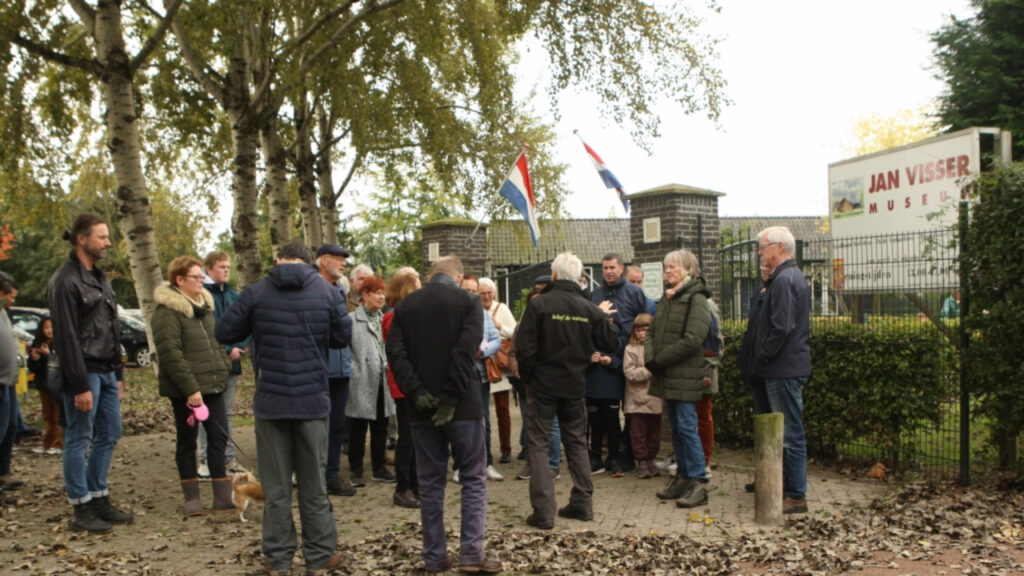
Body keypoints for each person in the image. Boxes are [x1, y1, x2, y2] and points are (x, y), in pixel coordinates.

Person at [215, 242, 351, 575]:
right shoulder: (328, 292)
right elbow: (340, 338)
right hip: (313, 403)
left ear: (278, 260)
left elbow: (224, 331)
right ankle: (320, 556)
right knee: (314, 485)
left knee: (276, 489)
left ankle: (277, 559)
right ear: (309, 262)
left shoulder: (256, 293)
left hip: (272, 404)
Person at [386, 255, 502, 574]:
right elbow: (465, 351)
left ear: (430, 275)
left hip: (421, 411)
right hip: (462, 406)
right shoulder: (468, 302)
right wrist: (450, 396)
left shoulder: (407, 306)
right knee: (474, 478)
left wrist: (417, 390)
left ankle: (435, 556)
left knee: (431, 483)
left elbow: (395, 352)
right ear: (459, 275)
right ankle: (471, 554)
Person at [515, 252, 618, 530]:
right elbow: (610, 343)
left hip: (543, 386)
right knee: (576, 443)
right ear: (580, 277)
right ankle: (583, 503)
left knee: (538, 443)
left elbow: (524, 349)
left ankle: (544, 511)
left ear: (555, 275)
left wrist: (528, 378)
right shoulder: (588, 308)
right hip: (574, 386)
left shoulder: (539, 306)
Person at [46, 214, 133, 534]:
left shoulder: (100, 277)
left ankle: (98, 497)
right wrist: (79, 384)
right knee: (79, 437)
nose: (108, 242)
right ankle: (80, 506)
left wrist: (120, 372)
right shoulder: (64, 281)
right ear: (81, 239)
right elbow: (66, 337)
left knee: (110, 431)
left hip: (108, 372)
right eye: (102, 237)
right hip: (83, 374)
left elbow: (112, 326)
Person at [151, 256, 232, 518]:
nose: (201, 281)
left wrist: (223, 367)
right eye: (196, 277)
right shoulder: (167, 312)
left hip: (214, 385)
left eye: (201, 277)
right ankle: (192, 498)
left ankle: (222, 497)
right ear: (180, 280)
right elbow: (170, 353)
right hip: (186, 391)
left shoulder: (205, 308)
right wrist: (191, 389)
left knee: (219, 438)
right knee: (187, 441)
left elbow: (216, 341)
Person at [646, 249, 713, 509]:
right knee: (676, 427)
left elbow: (693, 339)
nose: (667, 271)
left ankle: (698, 482)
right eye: (666, 267)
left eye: (672, 266)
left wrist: (659, 359)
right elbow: (652, 331)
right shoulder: (669, 298)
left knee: (687, 427)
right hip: (668, 375)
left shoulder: (696, 299)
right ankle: (683, 476)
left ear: (688, 269)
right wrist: (651, 357)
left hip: (683, 374)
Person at [751, 226, 811, 515]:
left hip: (782, 368)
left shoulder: (785, 279)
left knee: (790, 434)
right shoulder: (785, 277)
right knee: (786, 432)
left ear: (779, 247)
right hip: (782, 366)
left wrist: (762, 357)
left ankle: (796, 495)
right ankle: (787, 488)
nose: (760, 252)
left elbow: (782, 327)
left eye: (763, 247)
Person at [586, 253, 647, 477]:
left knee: (631, 412)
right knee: (600, 415)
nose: (608, 272)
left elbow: (644, 323)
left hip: (627, 360)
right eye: (605, 268)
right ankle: (602, 456)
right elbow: (588, 327)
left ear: (621, 268)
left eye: (612, 267)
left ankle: (628, 454)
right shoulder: (595, 295)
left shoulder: (634, 293)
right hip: (600, 365)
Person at [199, 251, 249, 479]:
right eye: (221, 266)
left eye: (228, 266)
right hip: (209, 363)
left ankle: (228, 458)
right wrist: (228, 349)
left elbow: (246, 324)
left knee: (227, 413)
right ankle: (204, 459)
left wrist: (238, 347)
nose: (226, 270)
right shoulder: (201, 296)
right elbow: (207, 331)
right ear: (208, 269)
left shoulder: (235, 296)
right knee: (205, 411)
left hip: (231, 365)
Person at [314, 244, 357, 497]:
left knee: (338, 424)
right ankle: (313, 474)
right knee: (317, 425)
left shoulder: (341, 290)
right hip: (319, 368)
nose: (343, 264)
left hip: (342, 367)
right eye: (338, 260)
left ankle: (331, 473)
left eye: (344, 260)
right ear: (323, 261)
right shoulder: (311, 288)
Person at [346, 276, 397, 486]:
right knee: (357, 429)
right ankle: (356, 471)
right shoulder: (350, 320)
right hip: (360, 381)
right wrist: (354, 371)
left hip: (382, 381)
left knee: (380, 427)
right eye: (377, 292)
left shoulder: (385, 318)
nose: (381, 297)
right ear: (365, 294)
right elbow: (345, 350)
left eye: (383, 293)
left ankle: (379, 467)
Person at [509, 287, 562, 482]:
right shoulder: (520, 326)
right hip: (526, 383)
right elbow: (513, 351)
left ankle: (553, 464)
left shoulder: (553, 325)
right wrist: (515, 368)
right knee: (530, 424)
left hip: (548, 382)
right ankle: (532, 464)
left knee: (552, 424)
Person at [381, 267, 422, 508]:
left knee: (415, 437)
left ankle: (415, 485)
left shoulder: (404, 315)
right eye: (416, 283)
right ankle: (402, 488)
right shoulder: (393, 317)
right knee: (407, 438)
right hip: (403, 384)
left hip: (410, 383)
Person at [458, 275, 503, 482]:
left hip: (481, 375)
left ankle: (486, 463)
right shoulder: (453, 313)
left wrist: (483, 351)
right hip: (459, 375)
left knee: (483, 420)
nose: (471, 294)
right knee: (460, 422)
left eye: (473, 291)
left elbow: (496, 340)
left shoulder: (483, 315)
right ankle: (460, 465)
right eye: (467, 290)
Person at [478, 277, 516, 464]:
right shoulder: (473, 310)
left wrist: (499, 326)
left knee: (502, 409)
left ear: (494, 293)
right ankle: (483, 452)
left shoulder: (502, 309)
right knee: (482, 412)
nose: (486, 296)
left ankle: (506, 449)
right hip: (481, 364)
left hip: (498, 365)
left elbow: (516, 332)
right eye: (482, 293)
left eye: (488, 292)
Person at [622, 313, 661, 479]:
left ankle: (651, 458)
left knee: (654, 432)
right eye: (638, 330)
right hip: (636, 398)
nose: (641, 333)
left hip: (655, 397)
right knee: (638, 432)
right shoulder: (630, 349)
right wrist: (649, 370)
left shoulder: (658, 348)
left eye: (645, 330)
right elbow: (629, 372)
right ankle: (642, 461)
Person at [0, 272, 24, 493]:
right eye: (10, 296)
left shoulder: (4, 314)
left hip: (8, 379)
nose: (12, 301)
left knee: (10, 427)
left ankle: (4, 471)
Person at [28, 317, 63, 455]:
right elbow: (34, 367)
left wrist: (49, 355)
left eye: (51, 327)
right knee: (47, 414)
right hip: (43, 383)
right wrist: (35, 358)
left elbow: (59, 364)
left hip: (56, 383)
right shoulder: (38, 343)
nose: (49, 331)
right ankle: (48, 442)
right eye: (46, 328)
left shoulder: (59, 343)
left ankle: (58, 443)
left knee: (57, 414)